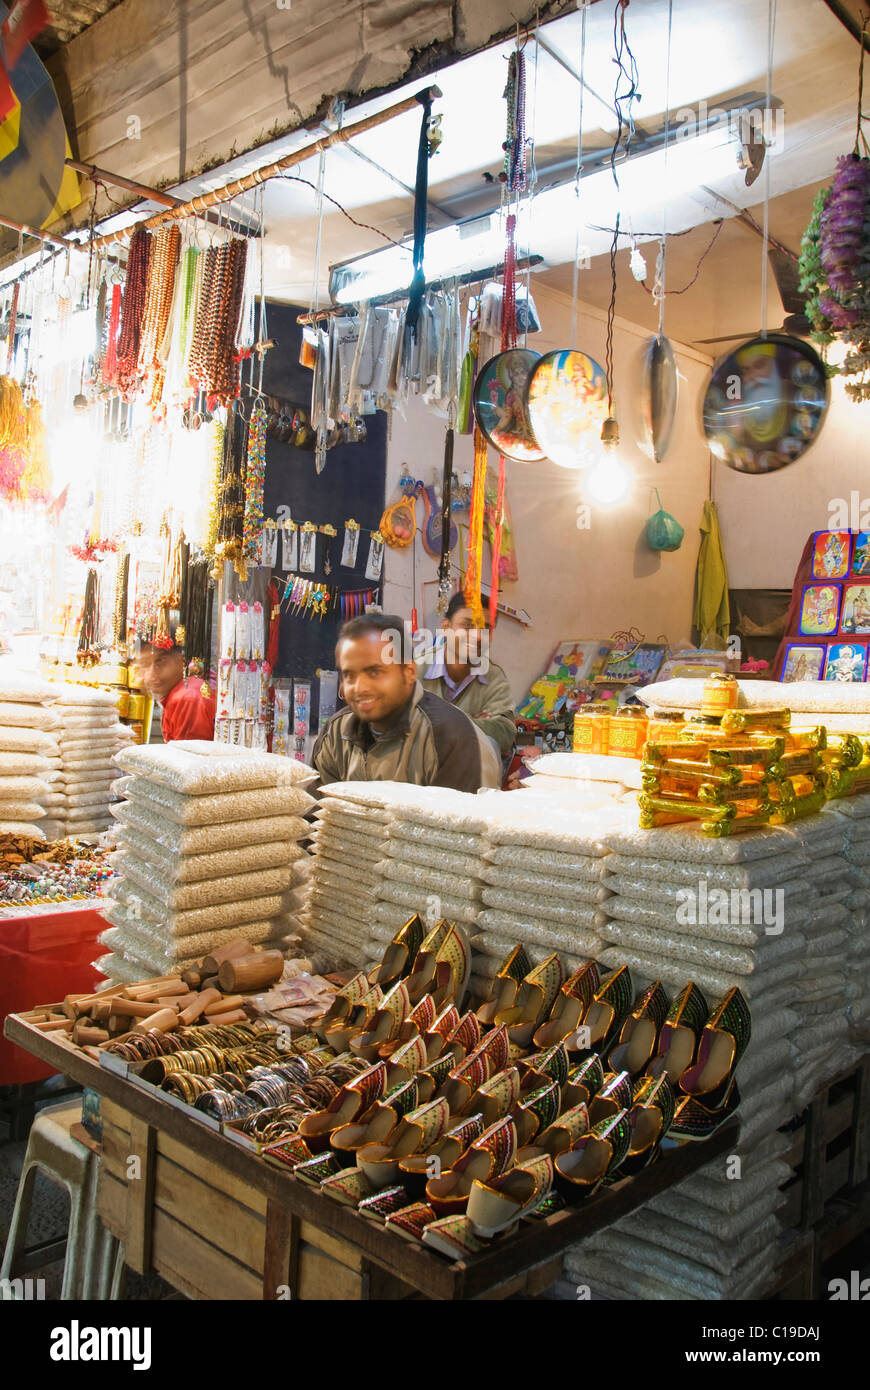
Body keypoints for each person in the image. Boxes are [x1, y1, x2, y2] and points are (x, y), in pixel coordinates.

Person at [313, 614, 501, 791]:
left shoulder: (452, 739)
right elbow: (319, 812)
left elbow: (464, 822)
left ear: (409, 672)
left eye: (374, 672)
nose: (359, 688)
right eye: (349, 675)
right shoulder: (336, 732)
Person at [417, 592, 516, 759]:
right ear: (446, 627)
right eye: (468, 625)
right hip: (417, 779)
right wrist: (470, 721)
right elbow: (399, 729)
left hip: (470, 778)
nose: (478, 636)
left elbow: (504, 734)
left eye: (486, 628)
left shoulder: (493, 677)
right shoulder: (414, 670)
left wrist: (436, 722)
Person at [135, 638, 216, 742]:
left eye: (160, 661)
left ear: (180, 659)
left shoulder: (186, 697)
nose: (151, 675)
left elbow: (188, 755)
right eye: (144, 664)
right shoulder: (189, 684)